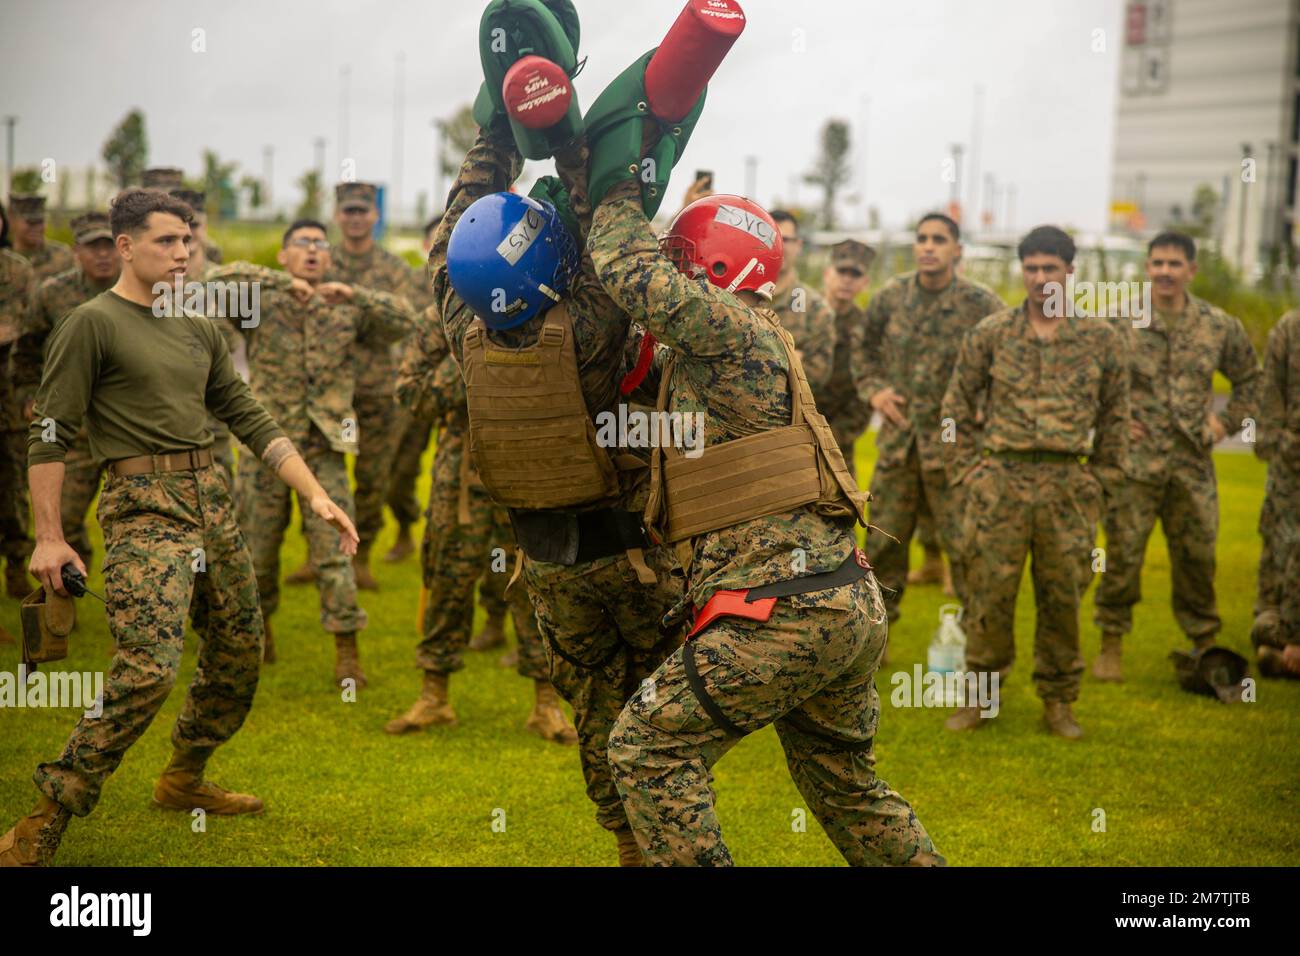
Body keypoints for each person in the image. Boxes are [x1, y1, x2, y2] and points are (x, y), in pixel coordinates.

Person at [0, 188, 358, 867]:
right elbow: (50, 435)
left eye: (188, 241)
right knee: (149, 668)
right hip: (143, 505)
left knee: (240, 650)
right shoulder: (92, 324)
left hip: (213, 499)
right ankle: (45, 815)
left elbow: (248, 415)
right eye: (167, 241)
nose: (183, 252)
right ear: (126, 247)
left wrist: (315, 495)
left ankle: (183, 778)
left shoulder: (198, 325)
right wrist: (49, 535)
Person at [591, 184, 943, 867]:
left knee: (648, 745)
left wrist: (611, 188)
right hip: (840, 599)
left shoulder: (732, 329)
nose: (673, 269)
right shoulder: (738, 343)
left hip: (785, 606)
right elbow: (635, 368)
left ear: (716, 267)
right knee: (846, 787)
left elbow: (629, 272)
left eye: (683, 258)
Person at [434, 126, 683, 866]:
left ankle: (627, 845)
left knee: (599, 710)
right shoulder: (592, 327)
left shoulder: (460, 324)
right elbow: (606, 232)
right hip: (636, 560)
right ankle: (672, 836)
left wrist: (492, 140)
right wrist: (579, 154)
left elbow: (459, 225)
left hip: (548, 567)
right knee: (660, 718)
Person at [207, 220, 414, 685]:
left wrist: (356, 296)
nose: (314, 252)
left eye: (321, 244)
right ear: (283, 256)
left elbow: (405, 319)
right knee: (256, 554)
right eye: (302, 244)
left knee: (335, 556)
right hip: (265, 450)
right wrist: (285, 283)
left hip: (323, 451)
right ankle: (259, 639)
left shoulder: (343, 306)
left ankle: (347, 656)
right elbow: (213, 280)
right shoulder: (261, 301)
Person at [941, 226, 1128, 739]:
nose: (1041, 277)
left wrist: (1100, 481)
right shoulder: (992, 332)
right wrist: (967, 469)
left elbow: (1116, 417)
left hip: (1068, 484)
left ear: (1071, 271)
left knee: (1063, 595)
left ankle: (1060, 700)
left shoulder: (1100, 340)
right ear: (1021, 271)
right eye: (1031, 268)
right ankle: (980, 696)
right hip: (1002, 481)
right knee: (987, 593)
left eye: (1051, 268)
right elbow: (956, 406)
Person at [384, 304, 576, 742]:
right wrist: (471, 360)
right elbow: (411, 394)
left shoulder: (543, 313)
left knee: (536, 583)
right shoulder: (443, 317)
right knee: (447, 579)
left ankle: (546, 704)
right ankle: (434, 696)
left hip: (527, 468)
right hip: (460, 476)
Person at [1091, 232, 1260, 680]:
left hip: (1191, 465)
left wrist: (1224, 425)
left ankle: (1205, 643)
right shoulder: (1118, 319)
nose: (1165, 271)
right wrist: (1112, 419)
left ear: (1191, 270)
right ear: (1147, 267)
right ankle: (1111, 641)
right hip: (1134, 466)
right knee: (1122, 557)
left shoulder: (1217, 325)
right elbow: (1087, 377)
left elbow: (1251, 381)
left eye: (1174, 263)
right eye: (1157, 263)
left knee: (1198, 557)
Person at [851, 213, 1003, 623]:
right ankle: (875, 640)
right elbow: (862, 349)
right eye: (922, 238)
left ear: (957, 251)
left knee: (968, 545)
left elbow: (1008, 361)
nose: (928, 246)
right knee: (882, 546)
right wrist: (875, 390)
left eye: (939, 239)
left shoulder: (981, 304)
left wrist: (984, 404)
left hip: (954, 452)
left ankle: (978, 645)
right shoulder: (891, 297)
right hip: (899, 447)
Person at [12, 212, 121, 569]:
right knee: (62, 519)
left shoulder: (138, 291)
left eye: (109, 245)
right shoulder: (53, 294)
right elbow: (27, 350)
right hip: (75, 431)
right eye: (93, 247)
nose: (103, 255)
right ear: (77, 251)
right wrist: (29, 395)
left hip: (127, 429)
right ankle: (73, 582)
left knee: (132, 521)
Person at [382, 214, 444, 565]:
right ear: (425, 246)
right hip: (418, 390)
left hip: (463, 395)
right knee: (397, 471)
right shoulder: (409, 285)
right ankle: (406, 527)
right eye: (436, 237)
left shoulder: (480, 278)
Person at [1250, 307, 1300, 678]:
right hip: (1291, 462)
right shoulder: (1290, 326)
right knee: (1280, 546)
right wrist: (1272, 443)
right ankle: (1275, 637)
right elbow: (1271, 389)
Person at [0, 200, 37, 600]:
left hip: (8, 398)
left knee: (12, 487)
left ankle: (15, 566)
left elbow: (14, 327)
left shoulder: (17, 270)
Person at [818, 238, 874, 473]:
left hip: (838, 446)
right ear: (827, 273)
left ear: (865, 282)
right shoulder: (800, 317)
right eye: (842, 271)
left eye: (855, 274)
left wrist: (829, 438)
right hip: (790, 437)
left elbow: (867, 393)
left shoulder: (868, 331)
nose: (847, 280)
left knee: (841, 508)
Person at [770, 209, 835, 408]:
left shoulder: (815, 308)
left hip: (789, 426)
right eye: (770, 236)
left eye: (786, 239)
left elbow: (818, 376)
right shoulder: (738, 298)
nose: (778, 245)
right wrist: (791, 360)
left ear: (798, 246)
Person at [7, 193, 74, 283]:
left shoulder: (63, 256)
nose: (37, 228)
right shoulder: (4, 258)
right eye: (31, 222)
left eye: (40, 222)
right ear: (12, 221)